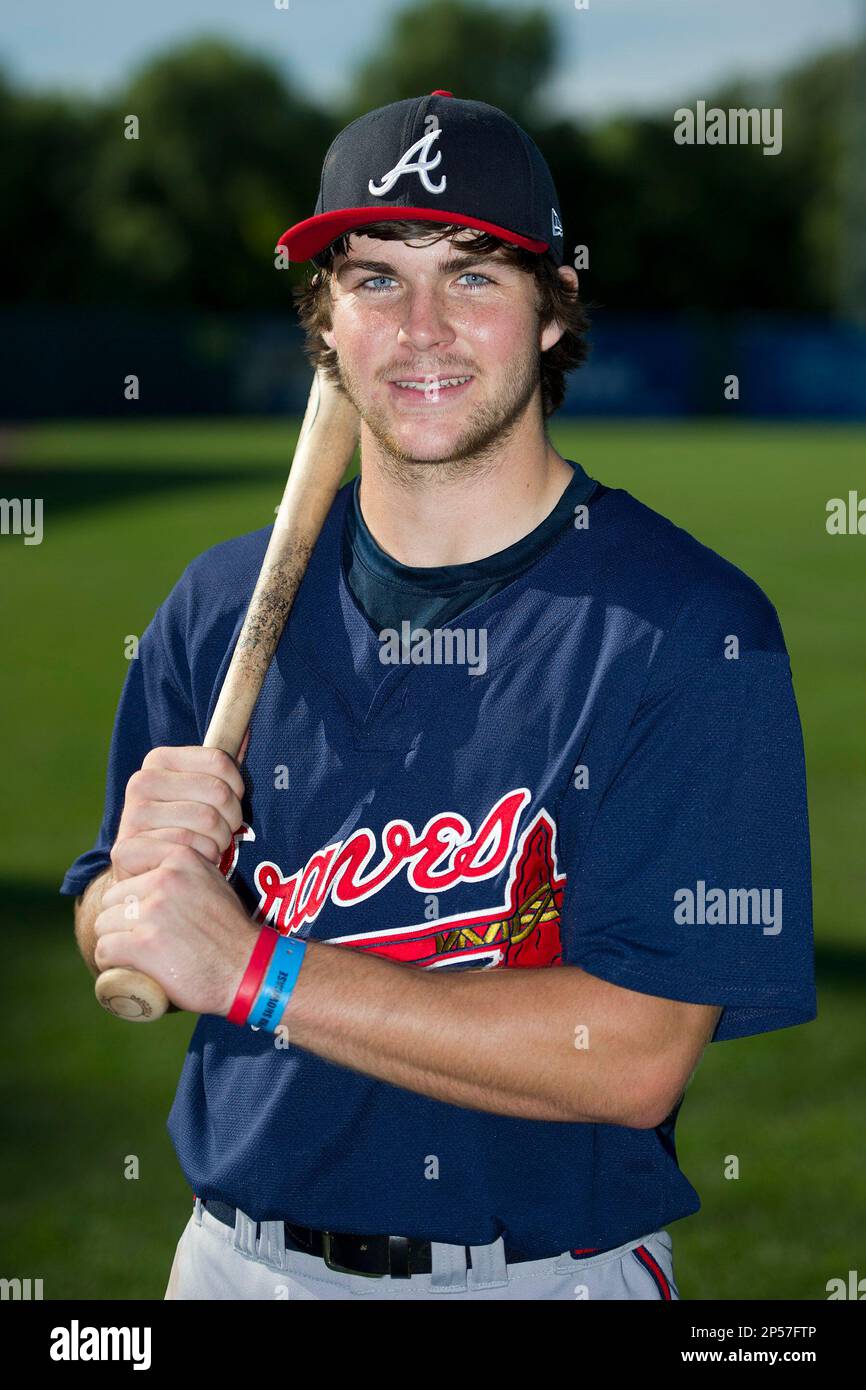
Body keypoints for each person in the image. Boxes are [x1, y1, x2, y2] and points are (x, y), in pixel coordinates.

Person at [63, 91, 816, 1301]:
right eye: (371, 279)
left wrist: (255, 968)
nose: (420, 326)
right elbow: (124, 917)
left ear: (553, 310)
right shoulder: (217, 607)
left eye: (472, 274)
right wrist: (134, 893)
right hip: (226, 1262)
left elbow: (632, 1057)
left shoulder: (690, 631)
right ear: (322, 321)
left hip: (534, 1278)